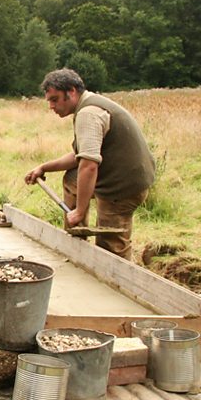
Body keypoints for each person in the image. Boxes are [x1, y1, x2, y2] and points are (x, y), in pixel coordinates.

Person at [24, 69, 155, 259]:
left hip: (122, 187)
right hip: (116, 176)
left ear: (71, 92)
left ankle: (117, 283)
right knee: (72, 179)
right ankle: (78, 240)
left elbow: (89, 165)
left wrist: (79, 210)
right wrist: (43, 168)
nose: (51, 106)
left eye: (55, 99)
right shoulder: (87, 105)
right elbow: (79, 156)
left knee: (110, 248)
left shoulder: (89, 114)